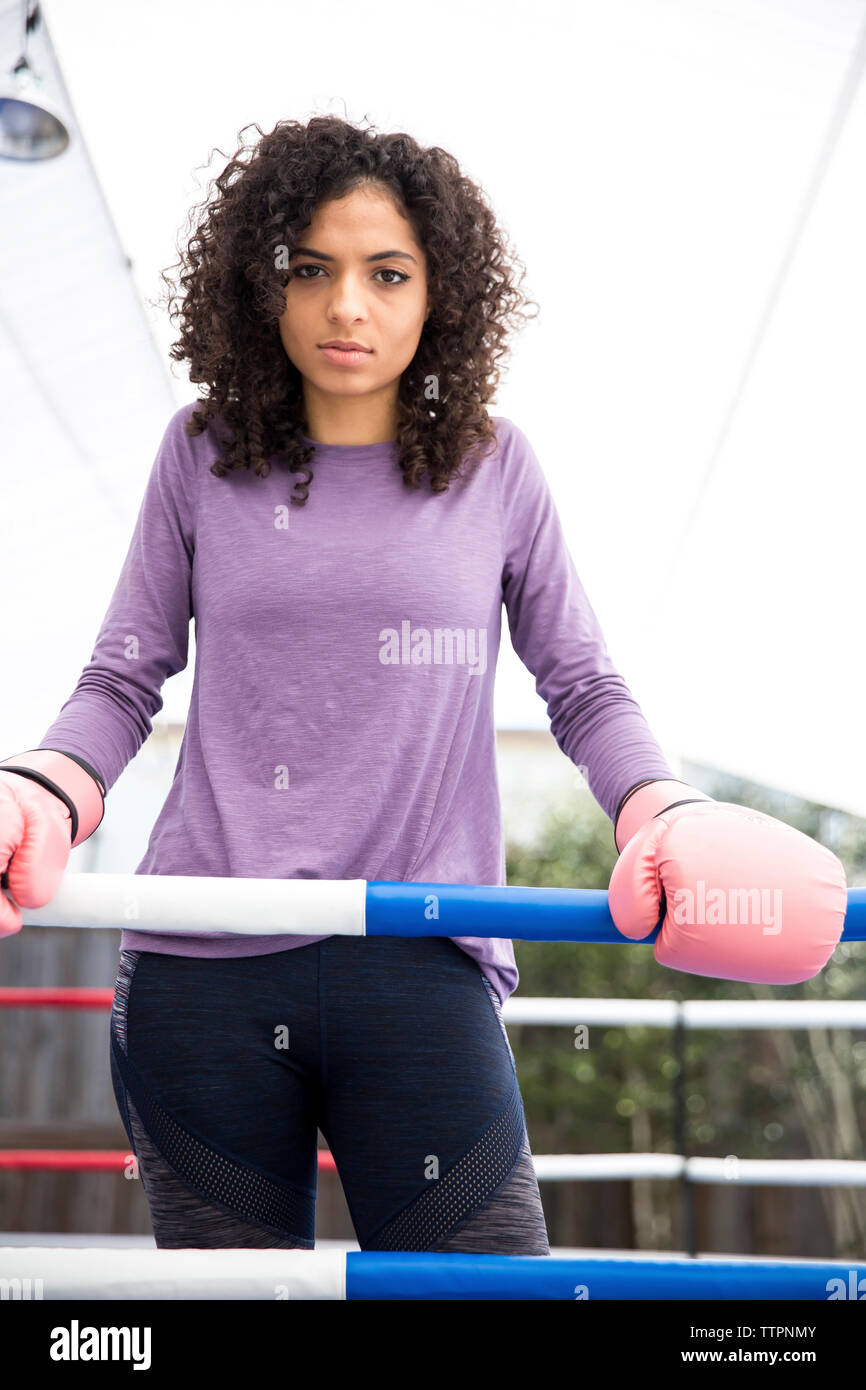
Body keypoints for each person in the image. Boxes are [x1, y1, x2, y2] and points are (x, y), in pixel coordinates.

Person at [0, 116, 846, 1255]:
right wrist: (39, 791)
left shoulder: (497, 465)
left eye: (385, 273)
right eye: (313, 270)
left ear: (434, 292)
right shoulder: (197, 454)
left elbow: (582, 683)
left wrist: (664, 807)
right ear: (265, 287)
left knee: (487, 1292)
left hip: (417, 960)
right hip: (201, 967)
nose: (348, 305)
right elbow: (121, 675)